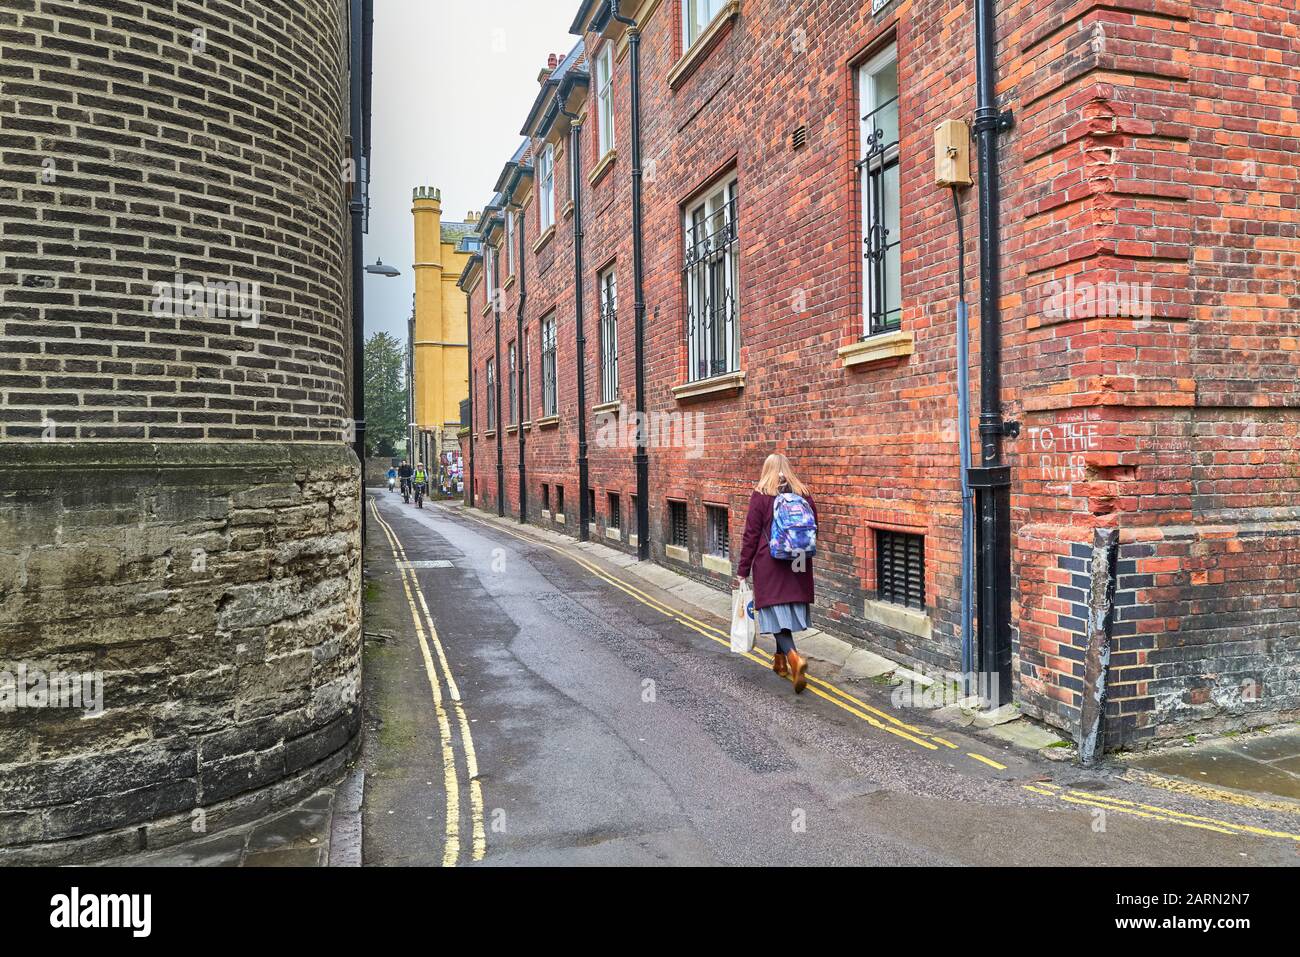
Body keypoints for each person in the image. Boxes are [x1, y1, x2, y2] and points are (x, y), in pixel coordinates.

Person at [736, 453, 817, 693]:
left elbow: (751, 535)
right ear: (788, 469)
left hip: (770, 564)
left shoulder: (761, 495)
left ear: (767, 469)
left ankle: (794, 659)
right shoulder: (803, 493)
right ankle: (780, 663)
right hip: (798, 563)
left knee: (774, 617)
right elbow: (815, 528)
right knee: (786, 614)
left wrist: (743, 570)